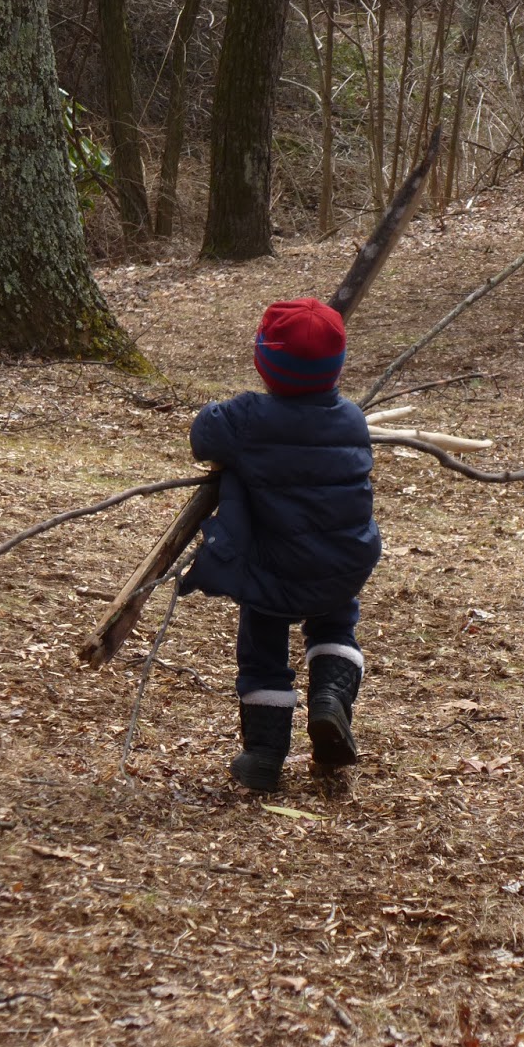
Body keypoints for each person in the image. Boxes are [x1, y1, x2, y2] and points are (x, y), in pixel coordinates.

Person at [180, 298, 382, 793]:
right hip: (344, 561)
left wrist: (222, 407)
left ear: (264, 362)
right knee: (336, 622)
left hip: (273, 570)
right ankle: (330, 701)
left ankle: (264, 754)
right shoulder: (353, 419)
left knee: (262, 647)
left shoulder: (247, 419)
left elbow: (203, 435)